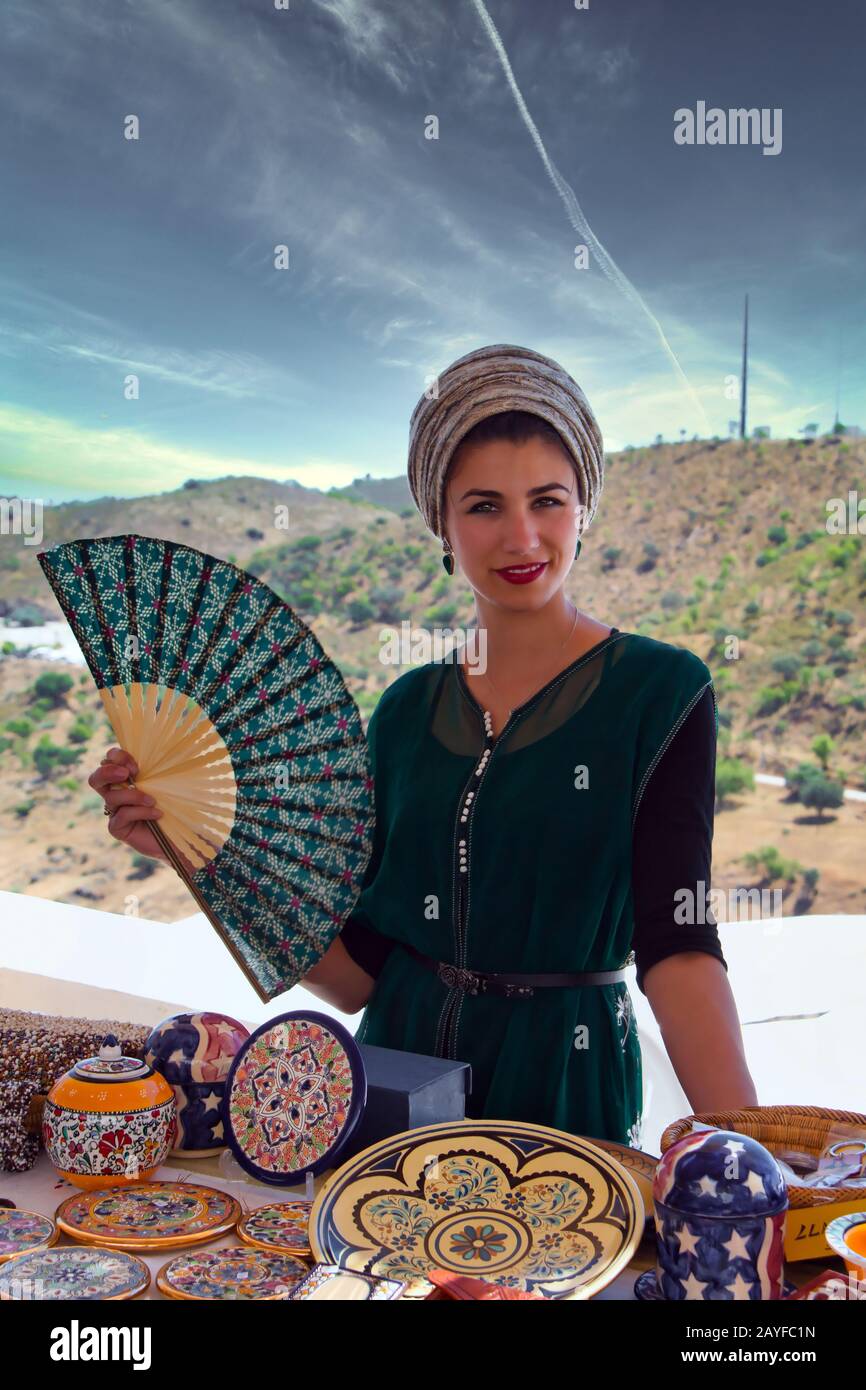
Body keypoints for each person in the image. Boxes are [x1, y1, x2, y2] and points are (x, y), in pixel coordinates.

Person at [88, 343, 758, 1147]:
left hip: (562, 1084)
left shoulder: (662, 691)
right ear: (440, 521)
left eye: (548, 500)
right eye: (483, 506)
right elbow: (352, 973)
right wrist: (196, 848)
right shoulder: (406, 710)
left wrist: (752, 1154)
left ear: (585, 510)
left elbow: (679, 949)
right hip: (393, 1085)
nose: (521, 535)